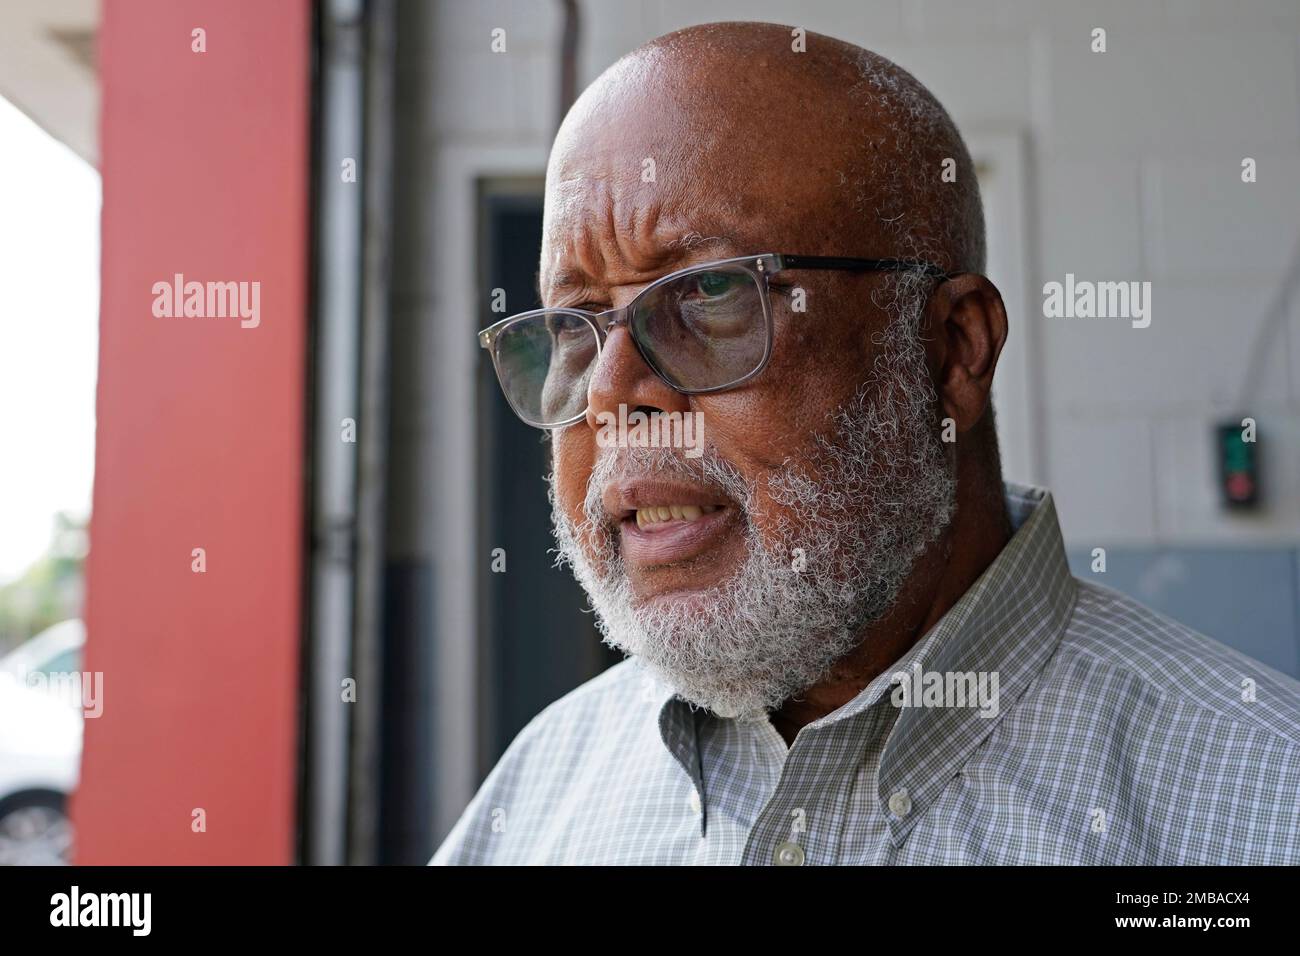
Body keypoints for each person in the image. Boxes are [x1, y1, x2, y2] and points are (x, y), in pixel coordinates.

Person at [433, 22, 1300, 865]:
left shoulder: (1259, 801)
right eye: (571, 329)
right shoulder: (539, 793)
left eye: (714, 299)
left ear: (952, 347)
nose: (614, 393)